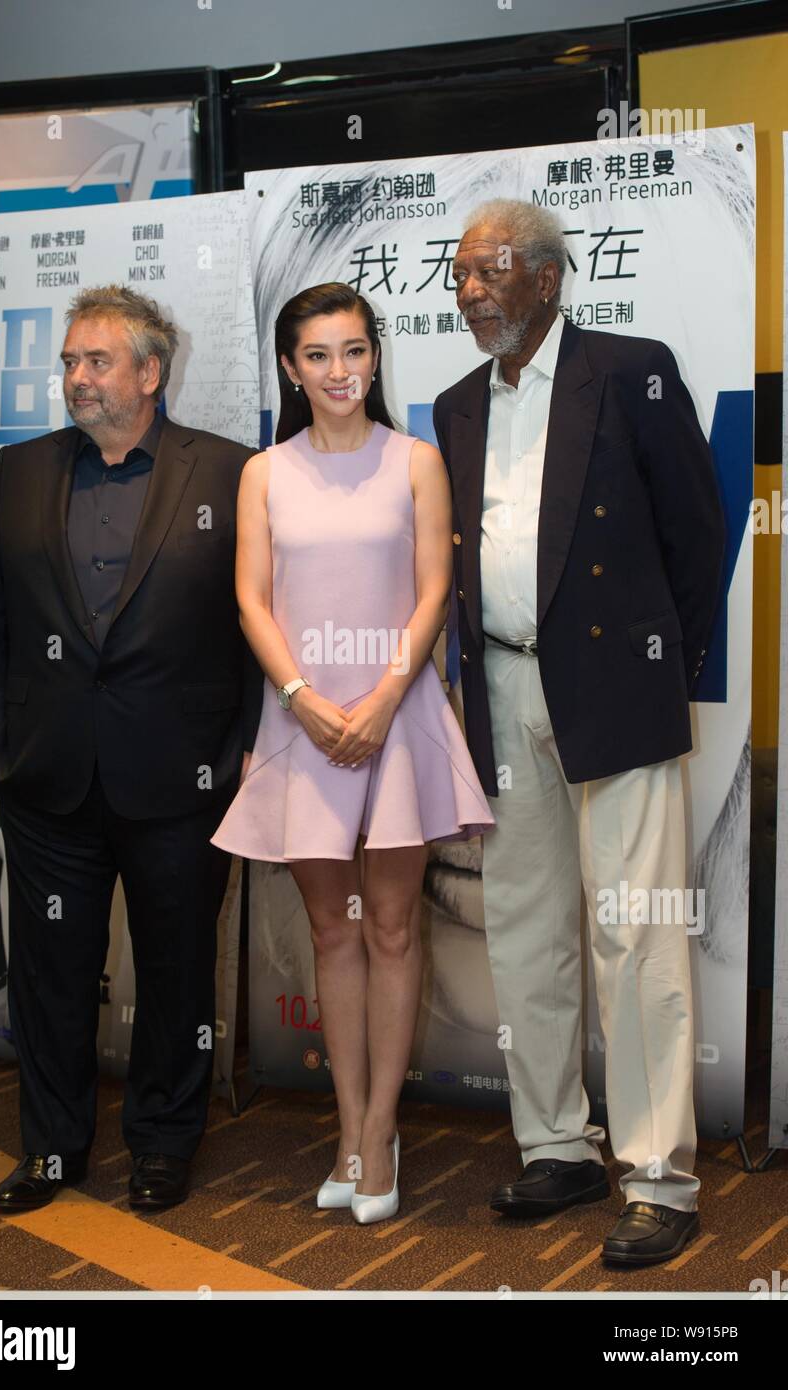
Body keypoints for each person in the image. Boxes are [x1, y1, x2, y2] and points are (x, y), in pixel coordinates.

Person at [433, 199, 725, 1266]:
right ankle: (558, 1143)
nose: (470, 290)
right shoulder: (456, 403)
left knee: (635, 931)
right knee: (523, 927)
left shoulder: (631, 369)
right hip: (503, 689)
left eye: (490, 270)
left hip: (617, 687)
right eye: (459, 275)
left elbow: (699, 534)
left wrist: (654, 671)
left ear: (549, 278)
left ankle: (658, 1175)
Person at [0, 284, 263, 1213]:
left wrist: (244, 746)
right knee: (50, 977)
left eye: (95, 362)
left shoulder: (227, 473)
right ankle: (52, 1152)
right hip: (47, 780)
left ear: (150, 372)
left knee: (176, 974)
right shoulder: (19, 470)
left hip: (182, 778)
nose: (75, 379)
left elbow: (256, 618)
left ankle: (164, 1146)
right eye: (67, 363)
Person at [211, 282, 494, 1223]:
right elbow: (252, 599)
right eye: (320, 356)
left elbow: (434, 592)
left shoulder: (414, 460)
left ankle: (380, 1138)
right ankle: (346, 1130)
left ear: (376, 356)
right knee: (331, 931)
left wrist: (378, 701)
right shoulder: (264, 474)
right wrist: (302, 700)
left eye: (356, 350)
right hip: (302, 724)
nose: (341, 371)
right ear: (291, 369)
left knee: (392, 930)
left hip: (396, 717)